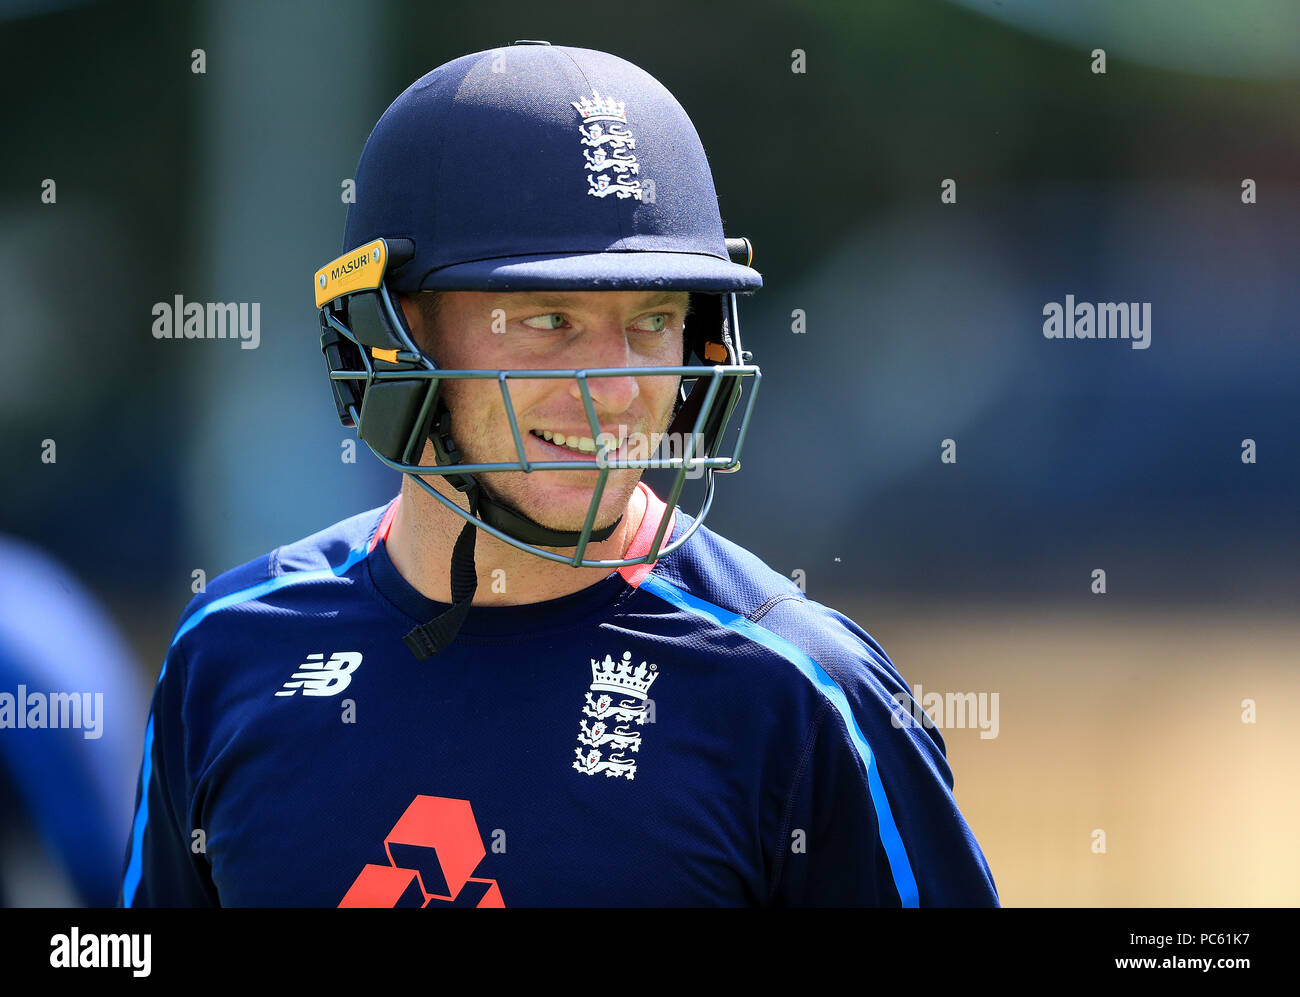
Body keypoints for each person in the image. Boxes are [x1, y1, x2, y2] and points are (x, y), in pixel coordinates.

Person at [119, 42, 998, 907]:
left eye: (653, 319)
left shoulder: (804, 695)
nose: (618, 390)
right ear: (395, 335)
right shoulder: (228, 653)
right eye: (549, 318)